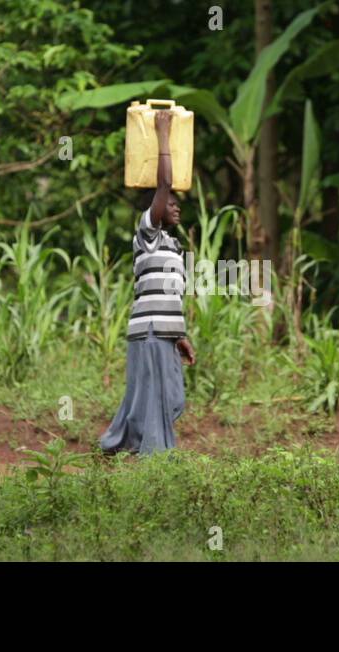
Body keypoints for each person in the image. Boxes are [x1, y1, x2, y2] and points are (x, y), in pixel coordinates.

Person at [100, 108, 196, 455]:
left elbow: (170, 295)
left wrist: (180, 335)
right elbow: (165, 183)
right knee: (152, 398)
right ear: (154, 207)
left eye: (177, 205)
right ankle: (152, 459)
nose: (175, 207)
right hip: (148, 330)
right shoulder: (148, 234)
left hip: (164, 335)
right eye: (170, 203)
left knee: (169, 398)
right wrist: (163, 134)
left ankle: (117, 445)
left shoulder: (172, 246)